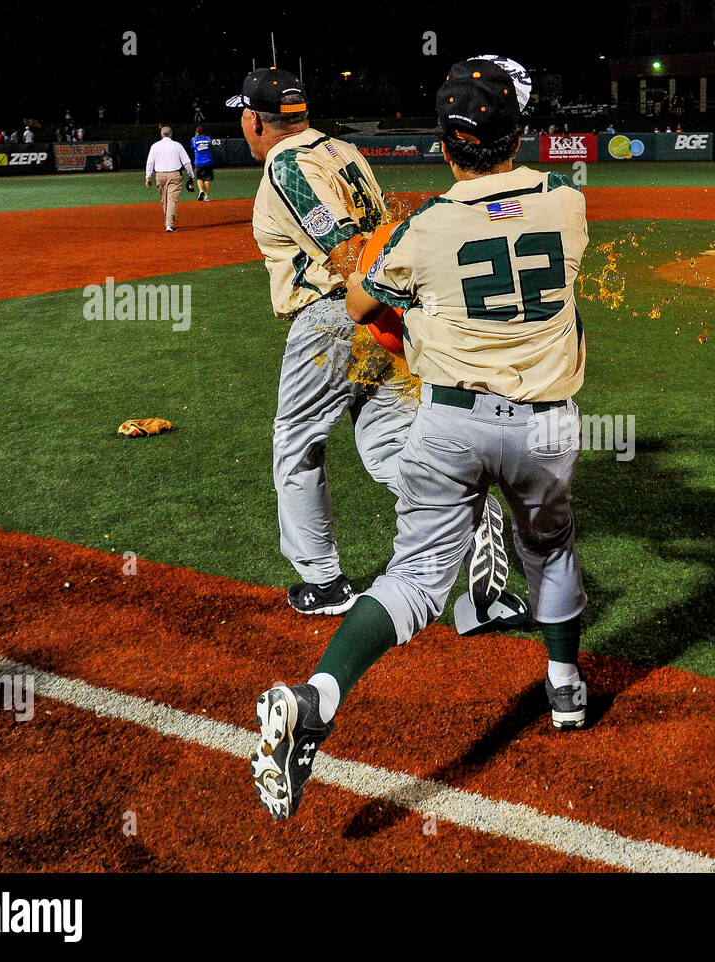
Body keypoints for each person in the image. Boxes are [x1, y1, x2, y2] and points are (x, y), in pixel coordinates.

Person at [251, 57, 590, 822]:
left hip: (450, 422)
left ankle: (318, 696)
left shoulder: (423, 228)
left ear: (444, 144)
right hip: (543, 422)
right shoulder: (567, 204)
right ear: (519, 133)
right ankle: (565, 690)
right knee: (553, 550)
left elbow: (364, 296)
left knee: (411, 578)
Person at [225, 67, 512, 620]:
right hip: (383, 314)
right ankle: (468, 509)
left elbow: (349, 248)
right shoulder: (344, 151)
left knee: (297, 442)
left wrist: (365, 301)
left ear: (252, 119)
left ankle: (323, 583)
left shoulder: (286, 162)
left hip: (333, 317)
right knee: (386, 445)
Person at [144, 126, 195, 232]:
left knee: (165, 200)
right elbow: (186, 162)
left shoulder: (155, 146)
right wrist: (191, 175)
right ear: (171, 134)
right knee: (172, 199)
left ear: (161, 134)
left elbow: (150, 162)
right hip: (174, 175)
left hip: (160, 175)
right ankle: (169, 224)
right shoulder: (177, 145)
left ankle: (169, 222)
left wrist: (148, 176)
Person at [190, 125, 214, 201]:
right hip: (208, 162)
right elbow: (210, 146)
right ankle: (206, 196)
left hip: (198, 162)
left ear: (197, 132)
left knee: (199, 177)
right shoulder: (208, 139)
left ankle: (201, 190)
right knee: (207, 178)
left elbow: (193, 147)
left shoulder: (194, 139)